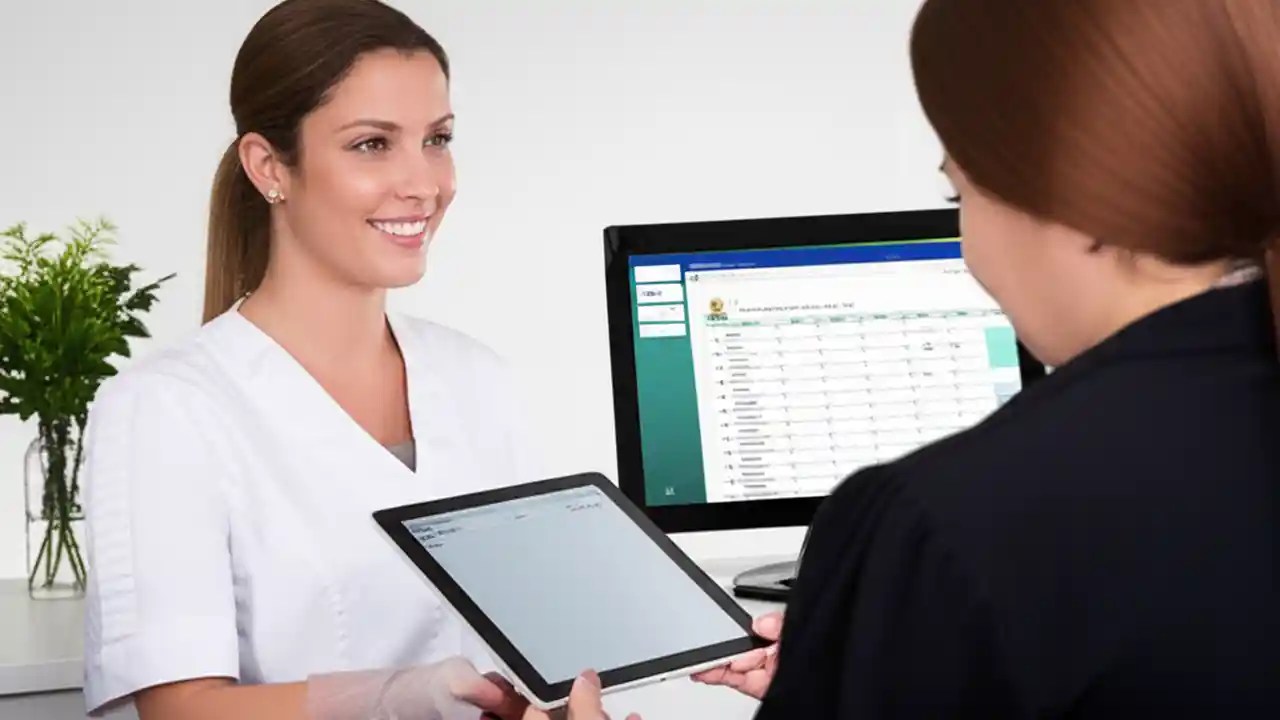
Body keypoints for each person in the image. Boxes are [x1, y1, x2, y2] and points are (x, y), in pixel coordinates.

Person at [583, 0, 1280, 717]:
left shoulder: (942, 523)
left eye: (960, 192)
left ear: (1074, 192)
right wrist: (865, 648)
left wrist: (890, 629)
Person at [81, 1, 538, 718]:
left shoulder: (478, 380)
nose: (424, 184)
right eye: (371, 145)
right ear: (269, 166)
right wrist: (399, 698)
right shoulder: (167, 410)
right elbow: (181, 709)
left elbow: (533, 638)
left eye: (437, 139)